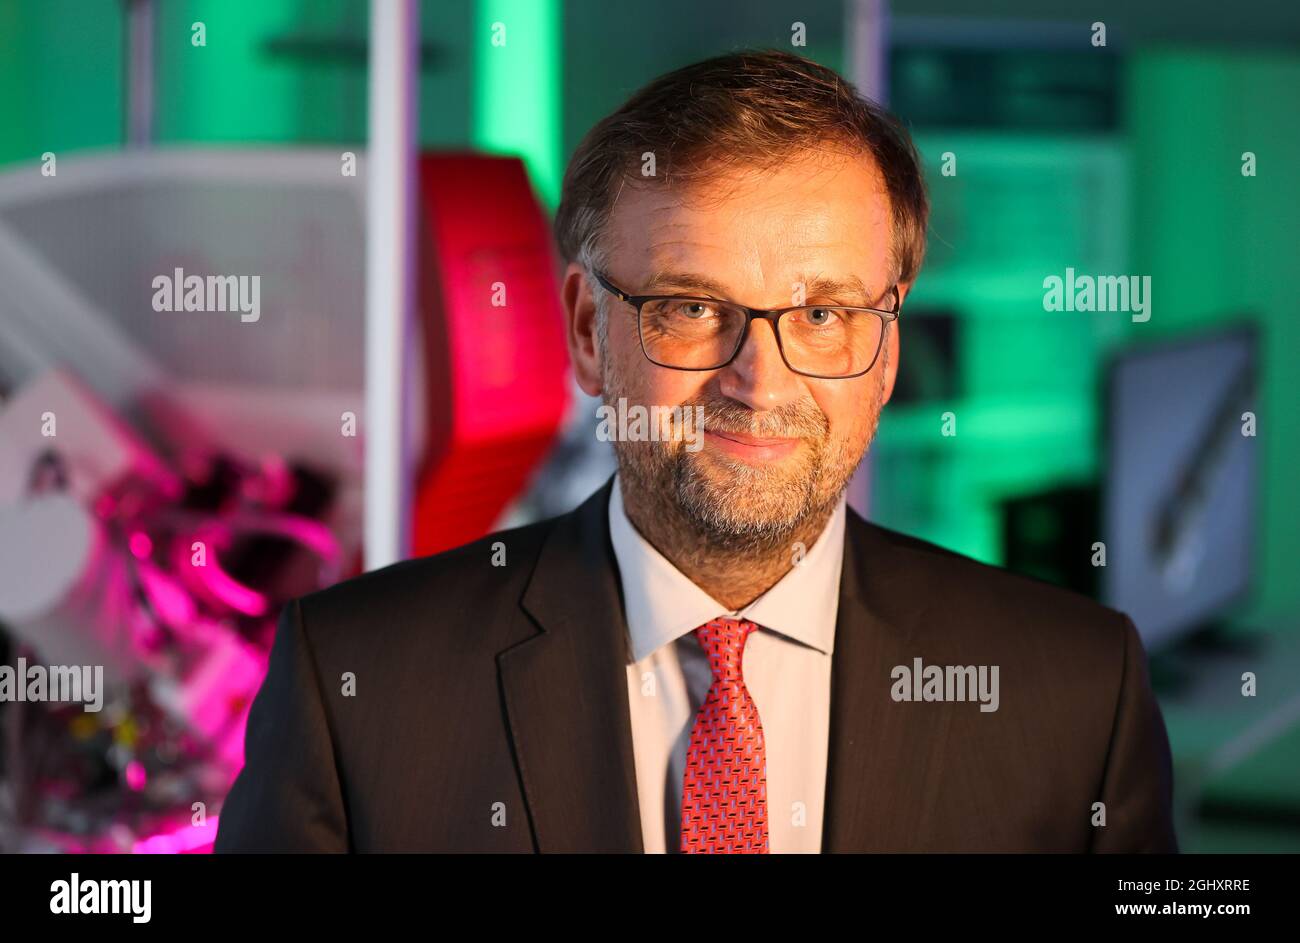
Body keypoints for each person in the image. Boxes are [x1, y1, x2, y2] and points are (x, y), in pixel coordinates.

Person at [215, 49, 1177, 854]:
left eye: (825, 313)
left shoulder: (1076, 695)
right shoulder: (358, 686)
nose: (759, 380)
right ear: (590, 333)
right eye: (690, 308)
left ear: (885, 354)